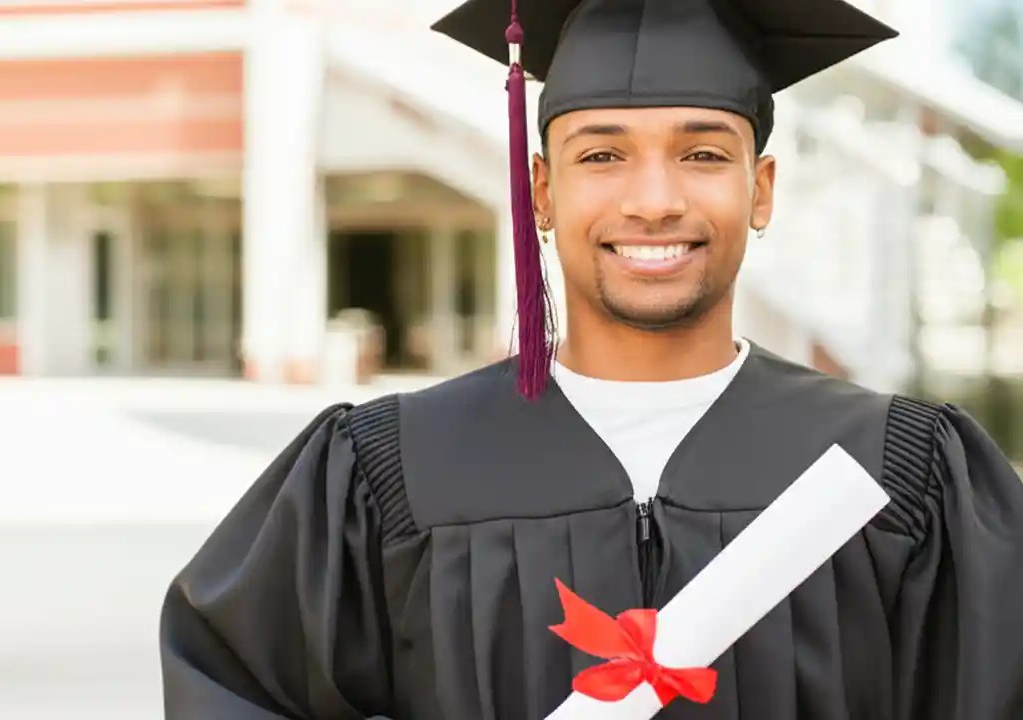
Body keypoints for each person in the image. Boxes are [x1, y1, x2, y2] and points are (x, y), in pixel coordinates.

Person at [160, 0, 1023, 717]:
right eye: (602, 155)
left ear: (760, 190)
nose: (654, 200)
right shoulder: (387, 473)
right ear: (542, 189)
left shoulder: (902, 473)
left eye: (703, 155)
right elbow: (235, 685)